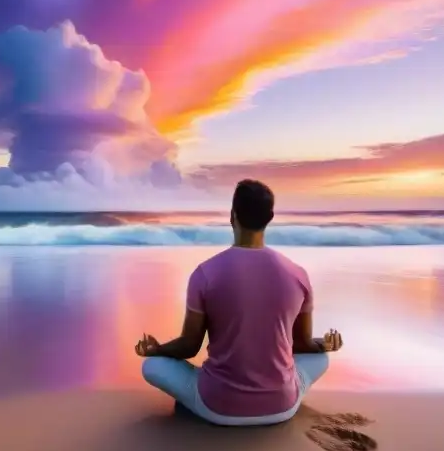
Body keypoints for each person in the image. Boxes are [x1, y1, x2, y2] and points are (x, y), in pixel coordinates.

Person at [135, 179, 343, 426]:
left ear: (232, 215)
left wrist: (157, 349)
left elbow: (189, 346)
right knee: (321, 358)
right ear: (270, 218)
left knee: (152, 366)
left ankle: (198, 399)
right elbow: (301, 344)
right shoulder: (298, 275)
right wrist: (323, 344)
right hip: (282, 406)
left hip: (219, 408)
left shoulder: (205, 274)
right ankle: (279, 390)